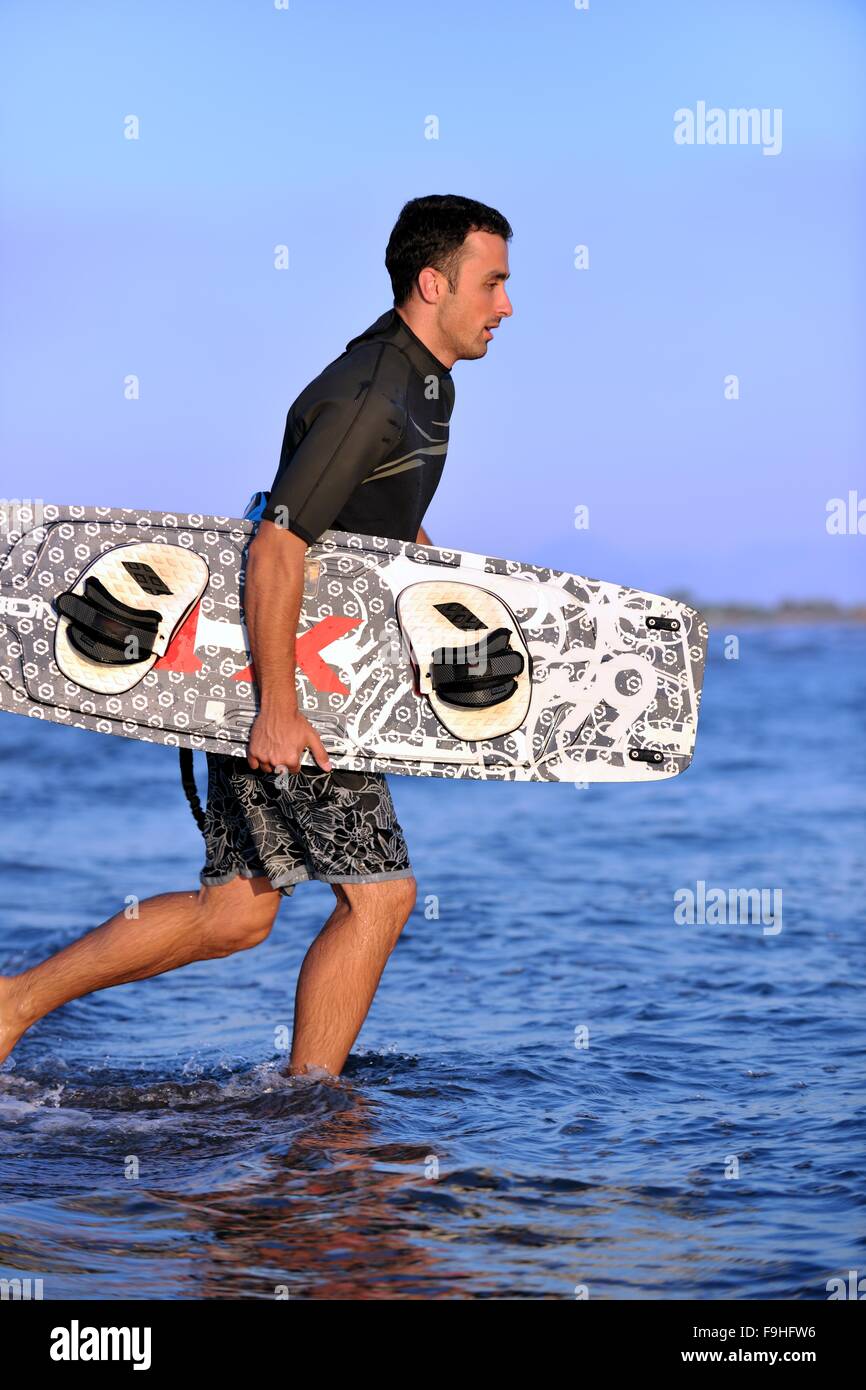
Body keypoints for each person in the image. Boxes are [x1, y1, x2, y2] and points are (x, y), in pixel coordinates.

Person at [0, 193, 513, 1077]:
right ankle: (313, 1121)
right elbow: (279, 543)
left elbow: (355, 524)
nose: (505, 305)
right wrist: (279, 706)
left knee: (235, 912)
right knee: (382, 899)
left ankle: (12, 1004)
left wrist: (421, 569)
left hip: (306, 670)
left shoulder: (427, 384)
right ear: (434, 283)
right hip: (294, 681)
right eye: (492, 283)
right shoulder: (372, 393)